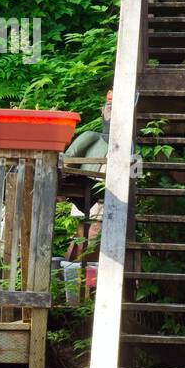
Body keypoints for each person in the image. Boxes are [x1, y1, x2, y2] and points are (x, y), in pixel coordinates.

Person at [62, 91, 111, 260]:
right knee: (87, 235)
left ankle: (87, 277)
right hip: (87, 193)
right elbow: (66, 162)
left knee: (94, 237)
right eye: (109, 108)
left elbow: (137, 174)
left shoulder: (131, 147)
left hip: (109, 199)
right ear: (102, 111)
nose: (113, 112)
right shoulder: (91, 137)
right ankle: (82, 275)